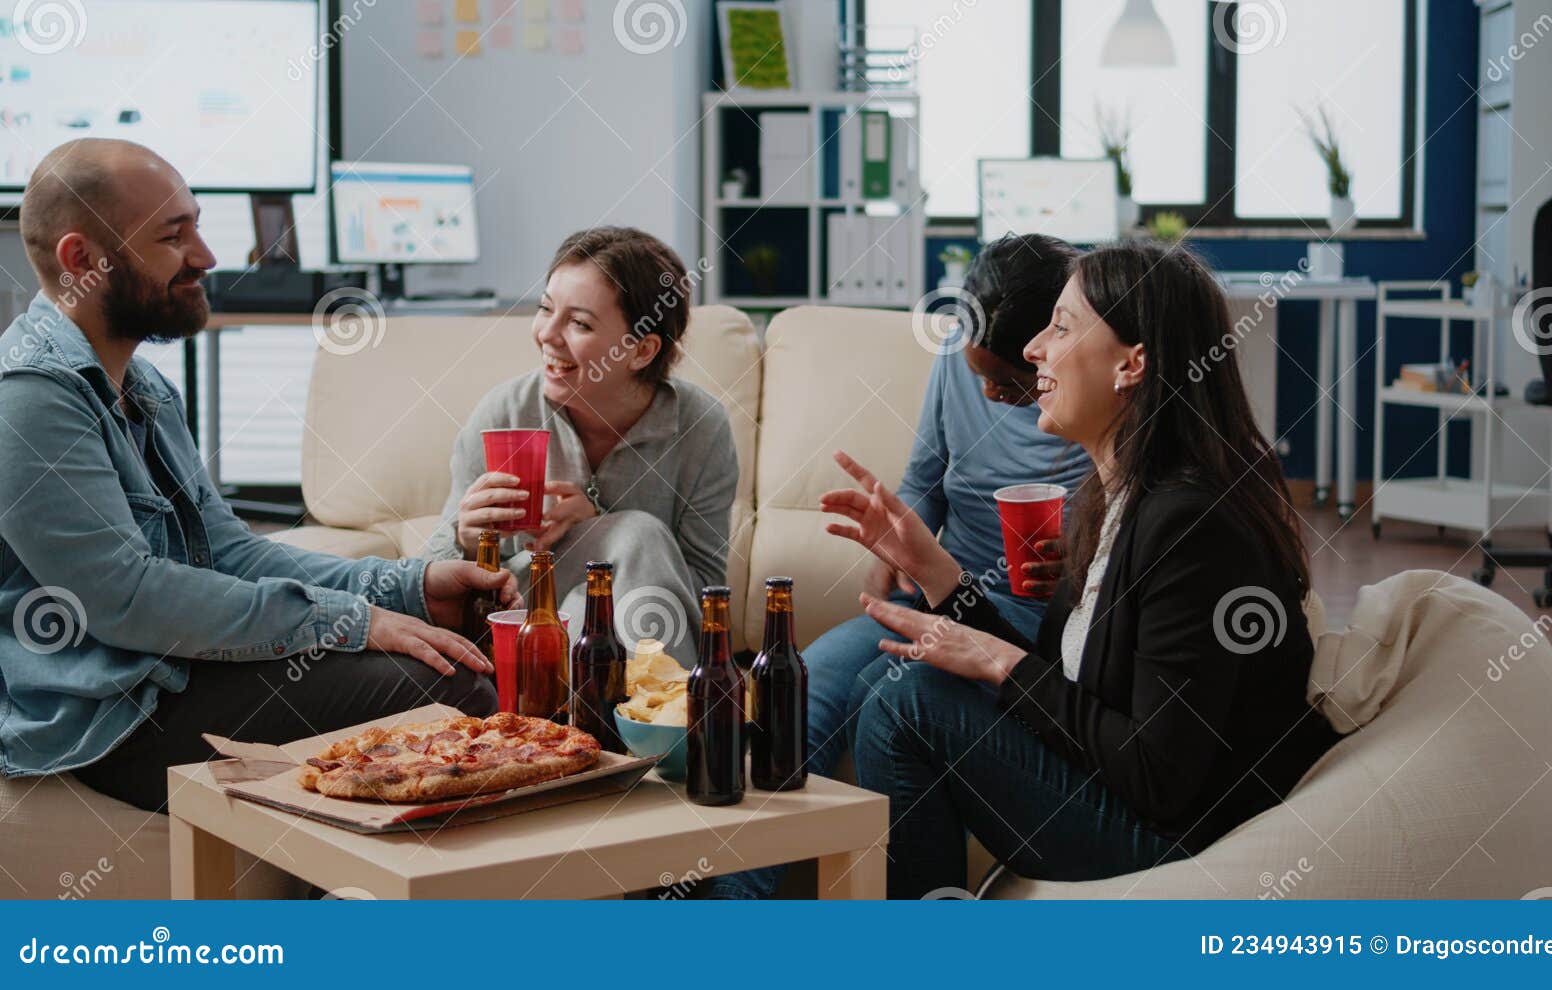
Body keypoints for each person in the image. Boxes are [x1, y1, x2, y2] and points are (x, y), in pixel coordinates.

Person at [0, 139, 517, 814]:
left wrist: (407, 586)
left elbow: (229, 552)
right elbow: (126, 598)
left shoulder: (144, 386)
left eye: (197, 224)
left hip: (179, 671)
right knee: (443, 686)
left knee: (490, 648)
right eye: (172, 234)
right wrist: (352, 621)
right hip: (111, 713)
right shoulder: (30, 399)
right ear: (81, 260)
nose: (207, 256)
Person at [828, 241, 1342, 898]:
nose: (1035, 349)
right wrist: (935, 571)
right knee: (899, 688)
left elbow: (1159, 776)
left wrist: (996, 662)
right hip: (1128, 796)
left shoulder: (1191, 527)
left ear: (1133, 364)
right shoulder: (1112, 497)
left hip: (1175, 837)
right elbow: (1060, 688)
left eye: (1061, 326)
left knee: (906, 704)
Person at [705, 234, 1089, 899]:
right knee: (797, 690)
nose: (994, 393)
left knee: (889, 689)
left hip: (1032, 625)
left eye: (1012, 378)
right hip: (937, 598)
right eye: (981, 376)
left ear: (1054, 344)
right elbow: (925, 478)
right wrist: (899, 544)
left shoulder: (1095, 391)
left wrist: (1077, 562)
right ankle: (734, 912)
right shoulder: (954, 358)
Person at [421, 227, 737, 664]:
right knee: (618, 555)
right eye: (545, 309)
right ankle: (663, 723)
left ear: (642, 350)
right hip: (520, 627)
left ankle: (584, 720)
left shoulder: (700, 429)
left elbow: (705, 593)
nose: (547, 335)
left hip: (635, 634)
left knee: (624, 556)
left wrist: (604, 529)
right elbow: (424, 577)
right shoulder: (504, 414)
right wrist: (466, 539)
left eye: (579, 323)